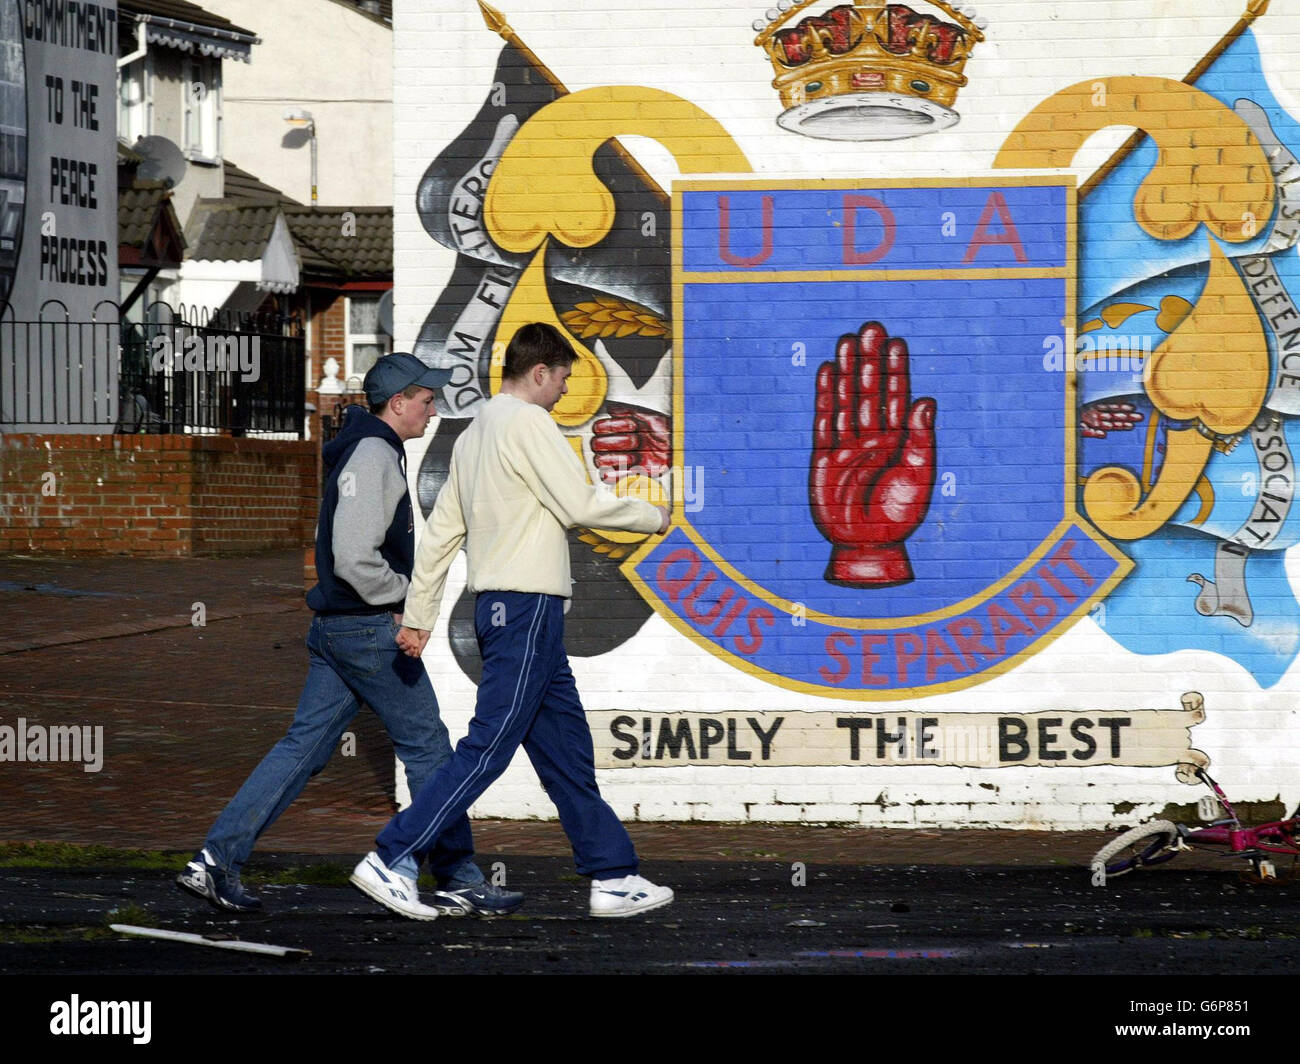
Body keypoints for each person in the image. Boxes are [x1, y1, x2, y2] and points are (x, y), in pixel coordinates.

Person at [178, 352, 522, 920]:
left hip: (338, 633)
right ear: (398, 403)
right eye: (426, 399)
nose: (434, 410)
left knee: (302, 749)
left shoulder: (369, 449)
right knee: (430, 748)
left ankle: (215, 861)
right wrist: (406, 605)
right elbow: (355, 558)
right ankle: (458, 877)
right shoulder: (374, 453)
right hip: (367, 631)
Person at [352, 322, 675, 919]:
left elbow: (443, 533)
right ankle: (392, 856)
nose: (563, 392)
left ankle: (613, 875)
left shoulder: (475, 434)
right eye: (563, 380)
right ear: (540, 372)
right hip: (526, 608)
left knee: (565, 751)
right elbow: (580, 505)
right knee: (490, 745)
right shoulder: (529, 423)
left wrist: (421, 616)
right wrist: (652, 516)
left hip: (507, 612)